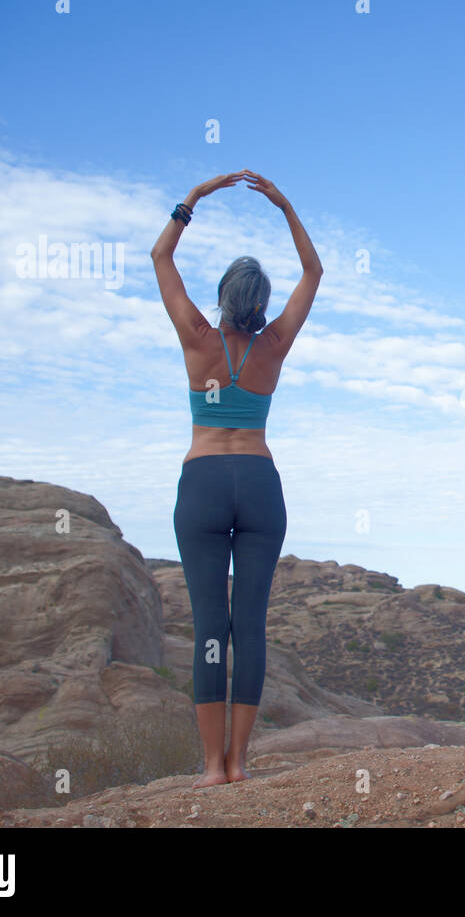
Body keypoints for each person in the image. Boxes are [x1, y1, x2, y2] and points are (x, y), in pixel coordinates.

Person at [150, 169, 323, 787]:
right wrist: (285, 206)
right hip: (258, 482)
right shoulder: (274, 344)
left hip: (201, 481)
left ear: (223, 298)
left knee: (209, 627)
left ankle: (211, 768)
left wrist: (192, 199)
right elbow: (314, 274)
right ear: (259, 302)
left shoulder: (197, 337)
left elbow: (160, 255)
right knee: (248, 625)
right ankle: (243, 763)